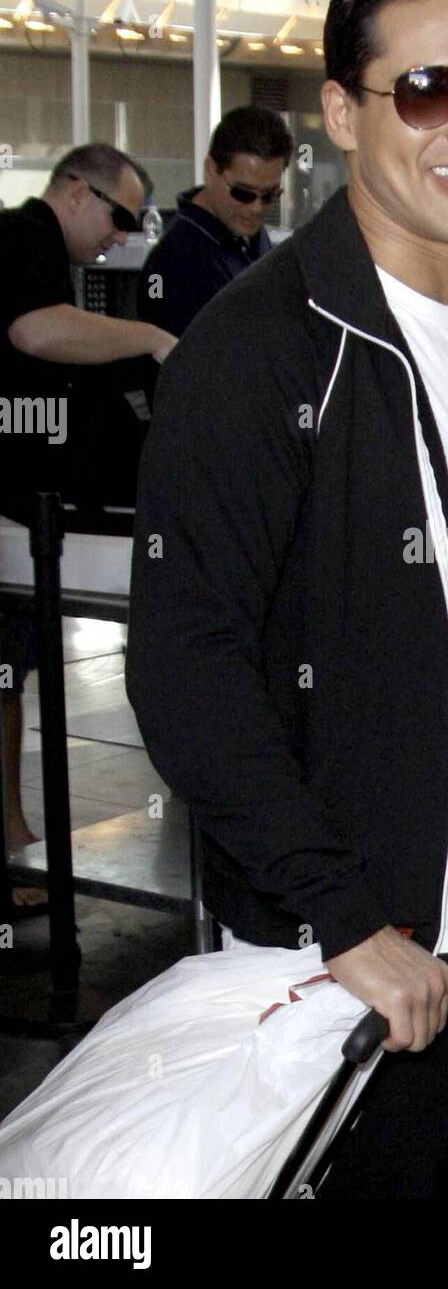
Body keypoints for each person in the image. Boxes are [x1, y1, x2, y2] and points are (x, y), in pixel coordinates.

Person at [125, 0, 448, 1200]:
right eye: (429, 89)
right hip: (360, 958)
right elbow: (184, 665)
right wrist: (340, 918)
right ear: (341, 112)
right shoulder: (263, 350)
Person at [0, 144, 176, 922]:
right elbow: (37, 333)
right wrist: (151, 340)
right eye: (118, 216)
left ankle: (11, 838)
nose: (122, 236)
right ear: (75, 189)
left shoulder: (38, 248)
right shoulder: (22, 237)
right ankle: (9, 843)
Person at [137, 106, 294, 338]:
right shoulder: (172, 262)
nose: (256, 208)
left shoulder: (249, 237)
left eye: (270, 195)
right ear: (211, 171)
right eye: (243, 193)